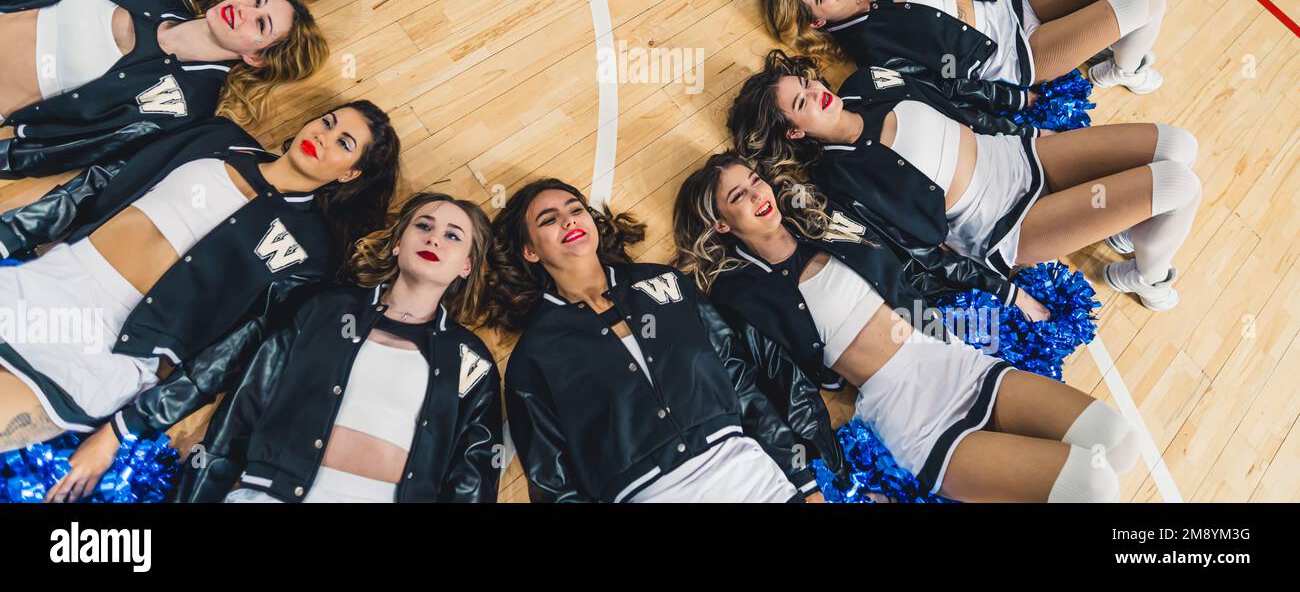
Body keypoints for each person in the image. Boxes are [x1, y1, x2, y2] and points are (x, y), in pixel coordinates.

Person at [671, 151, 1139, 501]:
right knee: (1092, 483)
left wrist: (1008, 291)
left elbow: (918, 266)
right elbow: (784, 388)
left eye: (755, 181)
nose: (758, 195)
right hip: (909, 411)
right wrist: (828, 478)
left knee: (1117, 444)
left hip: (952, 358)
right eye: (738, 196)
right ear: (721, 227)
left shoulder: (828, 219)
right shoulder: (742, 296)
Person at [0, 101, 401, 501]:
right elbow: (98, 183)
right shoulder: (217, 139)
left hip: (106, 353)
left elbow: (230, 354)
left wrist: (117, 433)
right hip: (50, 279)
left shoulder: (312, 253)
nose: (323, 136)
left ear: (351, 173)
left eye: (343, 142)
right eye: (327, 122)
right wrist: (8, 235)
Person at [729, 51, 1204, 313]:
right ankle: (1145, 275)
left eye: (807, 85)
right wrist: (1009, 292)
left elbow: (959, 104)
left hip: (1023, 156)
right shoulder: (837, 181)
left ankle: (1129, 230)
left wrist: (1030, 126)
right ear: (794, 131)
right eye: (801, 103)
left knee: (1178, 146)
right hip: (1011, 223)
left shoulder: (869, 82)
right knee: (1180, 187)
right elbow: (918, 256)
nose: (817, 94)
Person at [469, 178, 823, 501]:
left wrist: (803, 480)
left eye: (576, 209)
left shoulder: (665, 282)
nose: (569, 220)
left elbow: (739, 379)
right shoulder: (532, 359)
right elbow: (554, 486)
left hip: (756, 480)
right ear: (530, 251)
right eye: (549, 219)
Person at [177, 191, 503, 503]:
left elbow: (472, 475)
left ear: (466, 266)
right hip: (271, 492)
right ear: (397, 243)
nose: (434, 238)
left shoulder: (470, 359)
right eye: (424, 225)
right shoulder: (326, 310)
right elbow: (245, 404)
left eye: (453, 236)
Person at [0, 0, 326, 177]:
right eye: (257, 0)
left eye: (260, 23)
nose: (243, 10)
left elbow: (82, 148)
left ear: (256, 58)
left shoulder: (184, 106)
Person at [760, 0, 1167, 95]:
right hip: (1015, 52)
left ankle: (1112, 45)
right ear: (815, 23)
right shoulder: (871, 52)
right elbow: (942, 88)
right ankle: (1120, 69)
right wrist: (1007, 100)